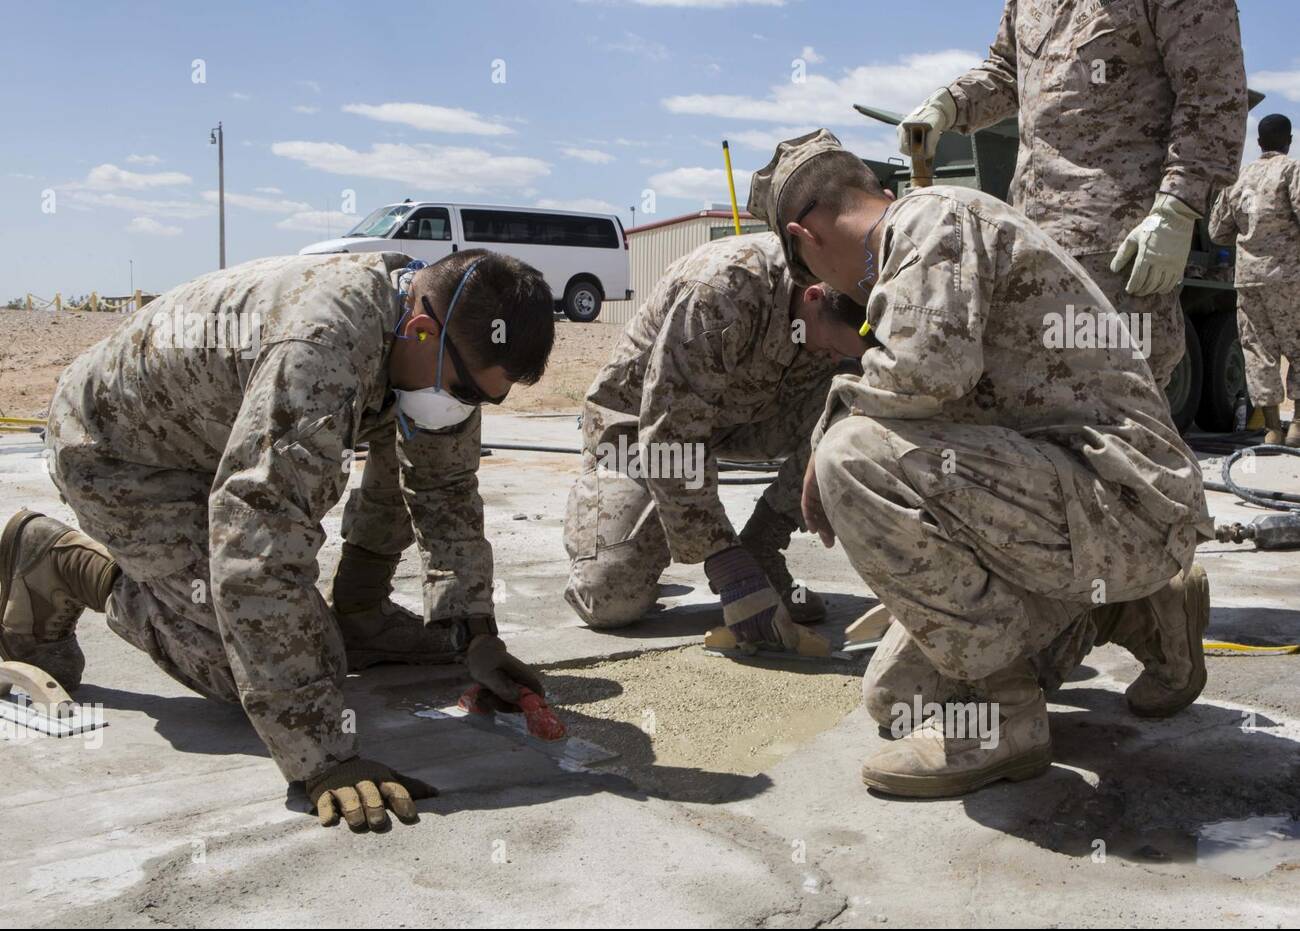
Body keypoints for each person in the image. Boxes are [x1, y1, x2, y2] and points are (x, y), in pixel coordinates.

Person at [0, 250, 555, 832]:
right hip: (121, 451)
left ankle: (361, 615)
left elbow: (446, 489)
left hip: (216, 429)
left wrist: (474, 631)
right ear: (420, 330)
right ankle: (59, 563)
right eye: (467, 389)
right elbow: (258, 541)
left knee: (413, 443)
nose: (470, 406)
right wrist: (322, 758)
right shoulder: (322, 350)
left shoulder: (439, 340)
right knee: (240, 668)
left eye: (488, 399)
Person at [747, 130, 1213, 797]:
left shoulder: (930, 219)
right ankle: (1134, 611)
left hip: (1123, 503)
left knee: (854, 455)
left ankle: (1003, 716)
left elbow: (925, 372)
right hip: (1079, 511)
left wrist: (831, 434)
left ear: (805, 236)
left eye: (805, 273)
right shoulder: (920, 237)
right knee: (896, 698)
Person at [898, 0, 1247, 388]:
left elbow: (1214, 95)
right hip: (1028, 240)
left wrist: (1177, 210)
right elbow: (1006, 70)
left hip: (1117, 250)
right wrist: (949, 104)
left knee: (1122, 402)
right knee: (1030, 398)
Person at [563, 231, 868, 649]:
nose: (833, 358)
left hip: (747, 417)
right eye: (832, 347)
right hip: (640, 428)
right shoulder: (722, 288)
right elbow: (671, 432)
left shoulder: (861, 288)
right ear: (814, 298)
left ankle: (762, 543)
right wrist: (727, 567)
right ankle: (606, 514)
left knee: (853, 413)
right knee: (610, 597)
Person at [1210, 113, 1300, 447]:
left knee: (1258, 351)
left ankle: (1273, 429)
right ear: (1288, 141)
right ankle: (1298, 427)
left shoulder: (1239, 178)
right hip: (1289, 277)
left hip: (1249, 280)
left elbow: (1217, 232)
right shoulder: (1292, 170)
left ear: (1259, 142)